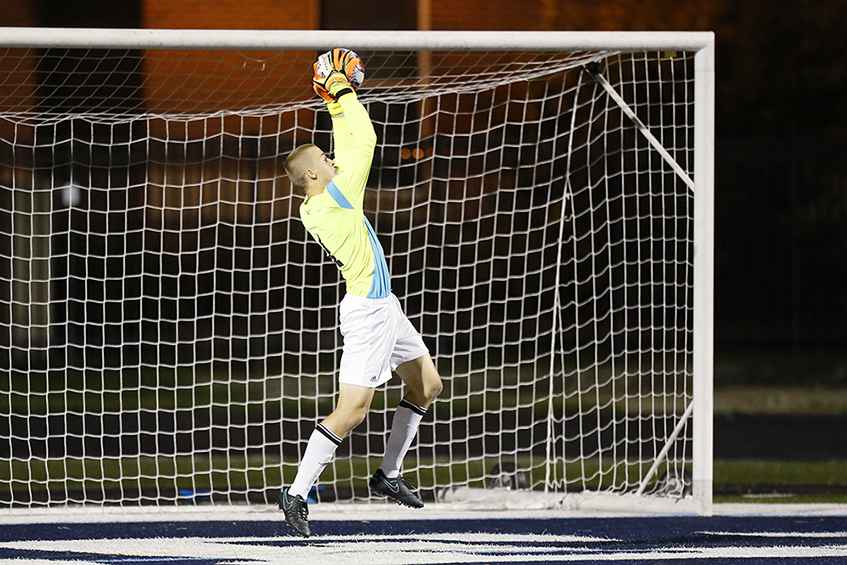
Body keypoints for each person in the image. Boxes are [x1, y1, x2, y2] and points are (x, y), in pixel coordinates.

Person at [279, 49, 443, 538]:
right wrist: (340, 90)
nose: (332, 160)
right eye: (324, 160)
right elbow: (364, 138)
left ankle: (387, 476)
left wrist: (332, 100)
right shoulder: (331, 202)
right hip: (367, 315)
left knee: (428, 386)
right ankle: (295, 494)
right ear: (313, 174)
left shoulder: (326, 197)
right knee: (352, 411)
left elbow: (348, 145)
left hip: (385, 308)